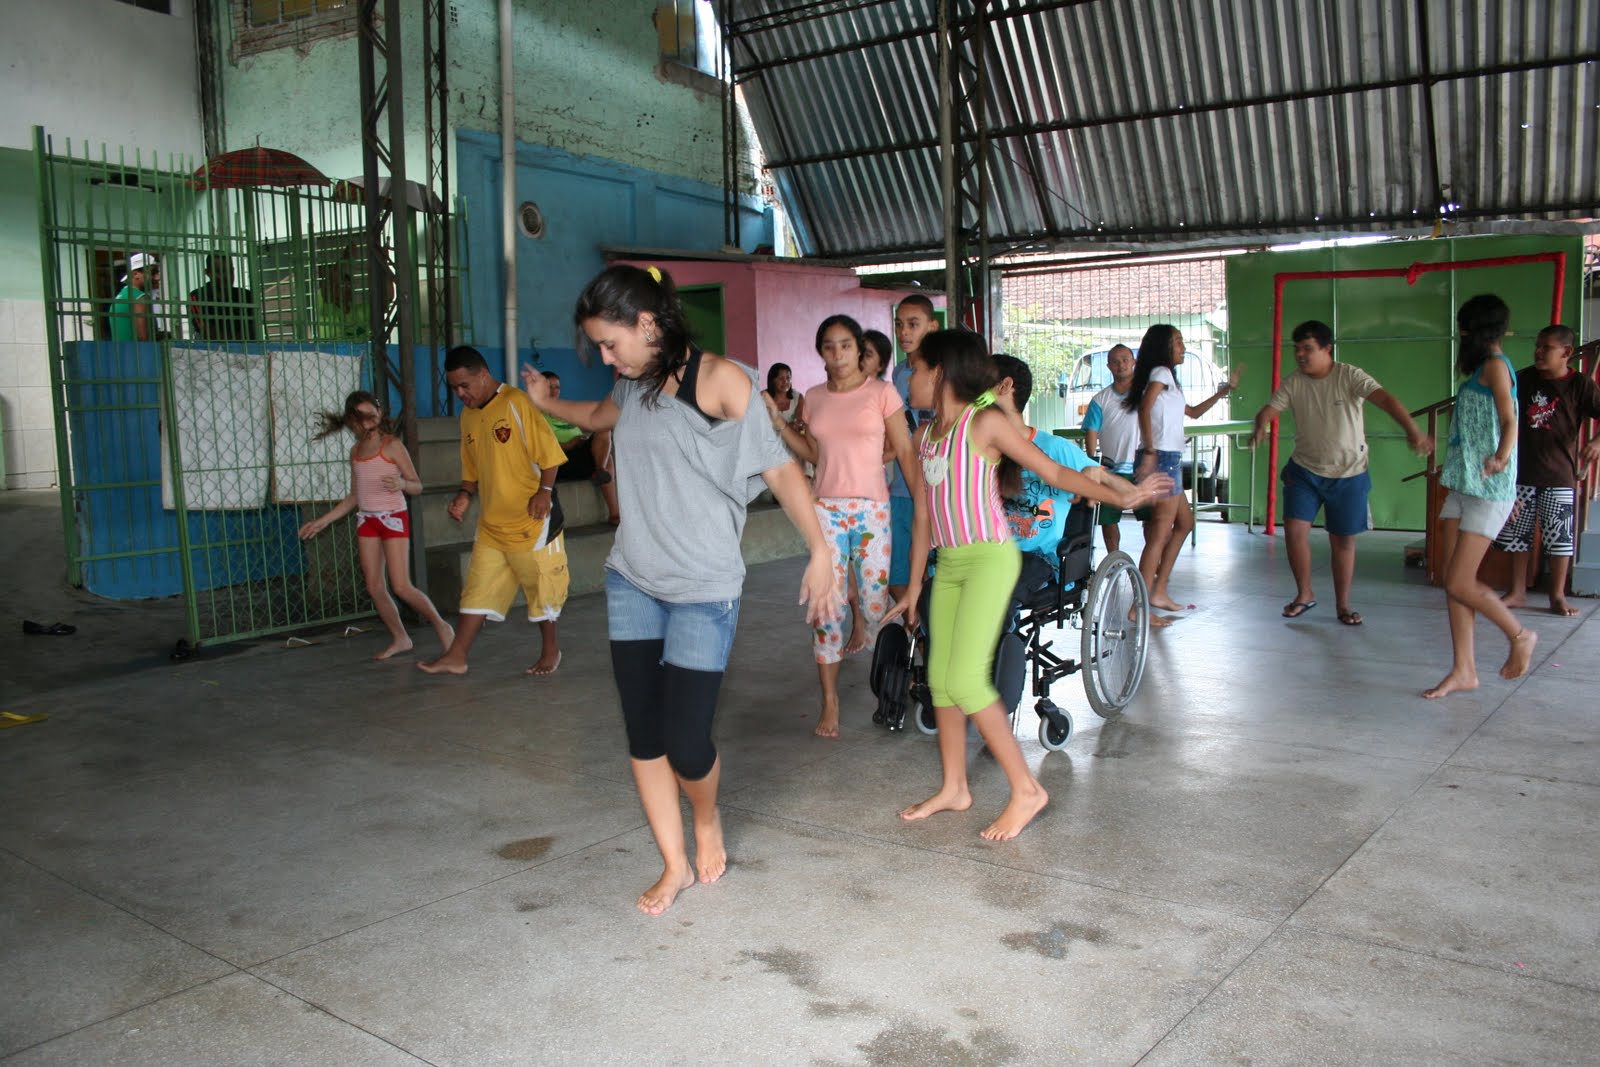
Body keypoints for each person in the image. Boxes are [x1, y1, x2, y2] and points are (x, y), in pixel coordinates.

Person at [520, 264, 837, 915]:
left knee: (689, 744)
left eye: (610, 343)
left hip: (702, 586)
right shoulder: (631, 384)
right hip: (633, 580)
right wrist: (546, 404)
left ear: (647, 323)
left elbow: (779, 468)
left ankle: (707, 818)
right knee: (644, 734)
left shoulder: (720, 380)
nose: (606, 358)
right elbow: (596, 414)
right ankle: (674, 863)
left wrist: (820, 550)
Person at [890, 329, 1171, 842]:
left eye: (916, 368)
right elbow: (926, 520)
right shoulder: (925, 435)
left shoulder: (984, 423)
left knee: (967, 681)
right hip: (948, 564)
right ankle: (954, 787)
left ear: (941, 372)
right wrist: (912, 588)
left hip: (990, 560)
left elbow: (1056, 474)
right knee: (940, 678)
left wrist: (1123, 496)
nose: (908, 378)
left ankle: (1027, 790)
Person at [766, 314, 918, 739]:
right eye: (829, 346)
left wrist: (921, 501)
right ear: (821, 352)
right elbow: (813, 452)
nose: (838, 354)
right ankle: (830, 700)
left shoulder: (882, 393)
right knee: (825, 605)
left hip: (872, 510)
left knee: (874, 605)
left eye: (846, 345)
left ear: (858, 348)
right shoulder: (813, 397)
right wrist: (779, 424)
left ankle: (898, 675)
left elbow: (904, 449)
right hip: (826, 509)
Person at [1251, 320, 1433, 625]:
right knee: (1294, 531)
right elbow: (1268, 410)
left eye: (1307, 348)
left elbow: (1386, 400)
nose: (1300, 355)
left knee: (1343, 541)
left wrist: (1413, 430)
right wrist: (1261, 425)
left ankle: (1343, 605)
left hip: (1349, 473)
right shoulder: (1294, 382)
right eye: (1297, 349)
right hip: (1305, 471)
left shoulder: (1349, 375)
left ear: (1327, 349)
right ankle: (1304, 594)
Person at [419, 345, 568, 677]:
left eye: (464, 386)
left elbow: (550, 454)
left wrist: (544, 492)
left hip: (533, 521)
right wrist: (464, 495)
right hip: (492, 523)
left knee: (542, 587)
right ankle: (456, 656)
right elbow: (471, 465)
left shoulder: (517, 403)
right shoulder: (468, 416)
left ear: (483, 375)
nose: (460, 394)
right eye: (454, 388)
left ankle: (551, 649)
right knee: (478, 588)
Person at [1424, 294, 1537, 699]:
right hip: (1464, 485)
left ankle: (1520, 635)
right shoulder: (1480, 370)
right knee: (1453, 583)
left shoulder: (1496, 367)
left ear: (1476, 331)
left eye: (1464, 329)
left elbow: (1510, 420)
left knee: (1460, 580)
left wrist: (1502, 459)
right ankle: (1464, 670)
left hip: (1487, 488)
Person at [297, 391, 453, 659]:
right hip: (368, 520)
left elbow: (417, 485)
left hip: (393, 518)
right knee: (374, 586)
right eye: (362, 417)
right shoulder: (355, 451)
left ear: (379, 413)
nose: (369, 421)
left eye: (373, 414)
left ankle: (443, 626)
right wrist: (322, 521)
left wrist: (401, 484)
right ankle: (401, 638)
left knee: (401, 585)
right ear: (352, 421)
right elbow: (355, 496)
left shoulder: (391, 445)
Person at [1124, 324, 1232, 626]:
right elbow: (1144, 410)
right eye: (1178, 342)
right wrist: (1150, 451)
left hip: (1168, 458)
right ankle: (1139, 606)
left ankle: (1159, 590)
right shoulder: (1160, 373)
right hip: (1162, 458)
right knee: (1159, 534)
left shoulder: (1168, 378)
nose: (1183, 348)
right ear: (1164, 347)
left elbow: (1193, 413)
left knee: (1185, 523)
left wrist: (1222, 392)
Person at [1495, 324, 1600, 616]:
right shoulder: (1523, 380)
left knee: (1560, 538)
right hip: (1520, 472)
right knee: (1517, 535)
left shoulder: (1580, 384)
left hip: (1559, 475)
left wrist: (1596, 442)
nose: (1539, 352)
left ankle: (1557, 595)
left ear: (1566, 352)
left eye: (1547, 348)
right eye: (1537, 346)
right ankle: (1517, 591)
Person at [993, 353, 1106, 598]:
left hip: (1039, 557)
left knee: (999, 593)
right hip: (991, 552)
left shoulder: (1055, 448)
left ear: (1005, 386)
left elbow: (1102, 475)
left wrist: (1093, 472)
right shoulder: (982, 448)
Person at [887, 295, 940, 605]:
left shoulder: (943, 372)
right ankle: (916, 628)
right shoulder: (898, 373)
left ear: (931, 326)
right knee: (896, 575)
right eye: (899, 324)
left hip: (934, 487)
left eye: (913, 324)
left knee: (929, 573)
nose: (904, 332)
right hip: (901, 487)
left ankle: (926, 629)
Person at [541, 371, 621, 526]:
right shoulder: (535, 414)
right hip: (558, 462)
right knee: (608, 459)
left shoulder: (563, 410)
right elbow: (544, 449)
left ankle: (600, 470)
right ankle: (613, 508)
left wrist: (582, 438)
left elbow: (589, 423)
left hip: (577, 454)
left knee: (603, 427)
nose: (554, 391)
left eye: (557, 387)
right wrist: (573, 442)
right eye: (549, 387)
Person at [1081, 344, 1139, 553]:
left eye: (1125, 360)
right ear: (1108, 366)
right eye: (1115, 361)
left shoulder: (1146, 393)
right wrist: (1093, 463)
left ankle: (1152, 563)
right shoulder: (1100, 399)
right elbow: (1091, 432)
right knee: (1108, 520)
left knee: (1152, 518)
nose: (1120, 365)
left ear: (1134, 362)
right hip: (1111, 470)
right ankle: (1113, 558)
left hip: (1143, 467)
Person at [188, 252, 257, 341]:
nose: (226, 276)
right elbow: (207, 332)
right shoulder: (196, 297)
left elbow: (253, 330)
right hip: (210, 349)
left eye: (229, 271)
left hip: (244, 348)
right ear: (208, 273)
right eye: (219, 271)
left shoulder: (246, 296)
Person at [109, 253, 159, 342]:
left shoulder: (121, 296)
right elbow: (143, 338)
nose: (157, 277)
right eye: (153, 273)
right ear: (136, 274)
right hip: (137, 350)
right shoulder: (140, 298)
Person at [761, 362, 807, 430]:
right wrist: (791, 425)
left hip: (792, 436)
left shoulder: (798, 397)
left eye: (788, 378)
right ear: (772, 380)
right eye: (780, 378)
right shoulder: (762, 397)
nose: (785, 381)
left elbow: (800, 423)